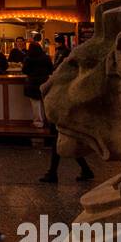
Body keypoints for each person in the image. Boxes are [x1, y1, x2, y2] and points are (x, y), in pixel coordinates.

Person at [39, 39, 95, 185]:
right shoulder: (77, 75)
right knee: (64, 142)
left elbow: (46, 88)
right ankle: (81, 169)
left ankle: (53, 173)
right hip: (67, 114)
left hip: (64, 114)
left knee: (62, 142)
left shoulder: (65, 73)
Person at [23, 31, 54, 128]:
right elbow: (51, 69)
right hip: (44, 81)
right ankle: (49, 121)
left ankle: (38, 122)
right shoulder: (46, 57)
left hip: (32, 83)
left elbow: (25, 70)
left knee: (35, 103)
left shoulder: (28, 59)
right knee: (46, 102)